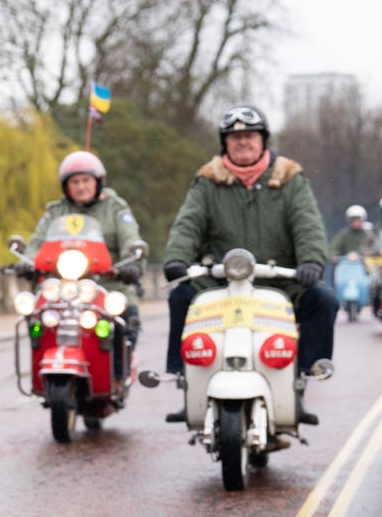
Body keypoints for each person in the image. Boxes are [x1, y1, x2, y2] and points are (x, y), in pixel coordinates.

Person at [162, 104, 338, 425]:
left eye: (250, 136)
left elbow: (308, 223)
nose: (243, 143)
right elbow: (188, 223)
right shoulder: (208, 181)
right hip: (219, 282)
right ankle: (184, 382)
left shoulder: (290, 179)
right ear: (225, 143)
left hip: (281, 281)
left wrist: (311, 261)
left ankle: (301, 381)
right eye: (235, 137)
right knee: (181, 298)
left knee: (323, 301)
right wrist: (177, 258)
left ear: (263, 140)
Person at [26, 150, 146, 367]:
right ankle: (42, 365)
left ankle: (118, 375)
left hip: (110, 284)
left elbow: (131, 237)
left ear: (97, 182)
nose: (81, 187)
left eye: (85, 180)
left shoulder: (115, 207)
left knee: (124, 318)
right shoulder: (56, 211)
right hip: (63, 286)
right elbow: (36, 242)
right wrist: (25, 262)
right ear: (66, 186)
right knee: (36, 314)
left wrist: (133, 262)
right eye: (75, 182)